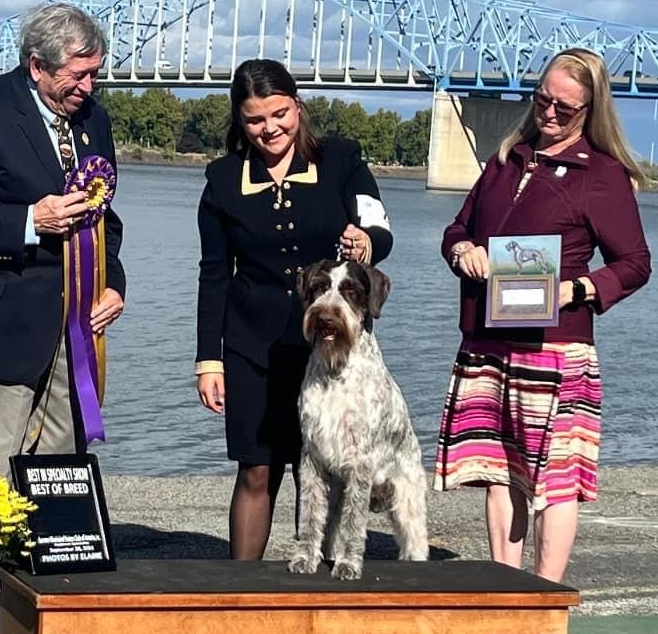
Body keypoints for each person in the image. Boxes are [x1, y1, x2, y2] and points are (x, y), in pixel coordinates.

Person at [433, 47, 651, 582]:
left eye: (565, 108)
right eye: (543, 100)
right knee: (498, 473)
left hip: (554, 349)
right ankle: (504, 594)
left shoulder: (602, 175)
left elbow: (636, 263)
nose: (549, 114)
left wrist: (580, 288)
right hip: (486, 343)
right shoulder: (507, 159)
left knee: (554, 481)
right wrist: (464, 252)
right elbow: (457, 230)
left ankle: (546, 597)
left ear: (590, 110)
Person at [0, 2, 126, 479]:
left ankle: (44, 554)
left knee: (61, 470)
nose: (88, 87)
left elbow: (103, 218)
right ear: (37, 65)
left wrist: (112, 282)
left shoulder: (95, 119)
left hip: (75, 333)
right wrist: (30, 221)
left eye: (95, 74)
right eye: (78, 75)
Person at [195, 58, 393, 559]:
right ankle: (242, 595)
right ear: (239, 122)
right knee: (256, 470)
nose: (270, 129)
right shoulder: (221, 180)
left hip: (326, 349)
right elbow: (214, 273)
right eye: (255, 120)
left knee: (321, 467)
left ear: (298, 106)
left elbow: (381, 230)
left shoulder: (342, 160)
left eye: (279, 113)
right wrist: (208, 359)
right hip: (250, 347)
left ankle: (318, 582)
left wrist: (366, 242)